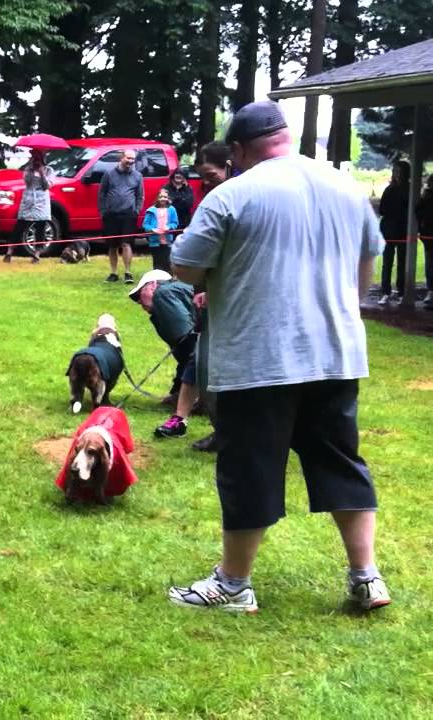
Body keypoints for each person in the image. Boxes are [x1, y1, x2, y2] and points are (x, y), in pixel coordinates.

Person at [167, 100, 390, 613]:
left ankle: (233, 585)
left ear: (240, 150)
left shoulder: (233, 194)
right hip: (336, 352)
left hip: (258, 357)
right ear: (285, 138)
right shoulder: (347, 187)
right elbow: (367, 262)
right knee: (341, 460)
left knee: (249, 468)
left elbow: (184, 268)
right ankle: (366, 577)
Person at [188, 141, 233, 453]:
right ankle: (221, 431)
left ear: (229, 164)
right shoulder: (209, 197)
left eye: (210, 173)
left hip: (235, 297)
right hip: (210, 291)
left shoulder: (241, 196)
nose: (206, 180)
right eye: (202, 175)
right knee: (207, 367)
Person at [128, 269, 198, 439]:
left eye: (139, 295)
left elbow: (188, 343)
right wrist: (176, 391)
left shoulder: (163, 295)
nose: (140, 304)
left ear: (153, 285)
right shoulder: (177, 292)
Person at [98, 149, 143, 283]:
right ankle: (113, 273)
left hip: (129, 214)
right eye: (128, 158)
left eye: (133, 159)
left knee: (126, 244)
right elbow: (102, 194)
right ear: (121, 158)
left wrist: (137, 210)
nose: (131, 161)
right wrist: (103, 211)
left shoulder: (137, 176)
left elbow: (140, 196)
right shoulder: (109, 174)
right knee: (112, 245)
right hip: (111, 215)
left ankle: (128, 272)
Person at [376, 159, 410, 305]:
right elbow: (382, 209)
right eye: (395, 171)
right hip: (389, 231)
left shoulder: (409, 189)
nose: (396, 174)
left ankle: (401, 291)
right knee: (387, 263)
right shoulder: (389, 189)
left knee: (403, 262)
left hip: (403, 231)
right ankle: (385, 292)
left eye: (399, 171)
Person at [15, 148, 54, 264]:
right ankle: (10, 251)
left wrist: (42, 173)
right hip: (28, 200)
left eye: (38, 157)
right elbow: (27, 182)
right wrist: (31, 169)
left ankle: (37, 254)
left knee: (40, 227)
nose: (36, 160)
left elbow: (47, 186)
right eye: (34, 157)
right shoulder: (29, 169)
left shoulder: (49, 170)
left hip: (41, 202)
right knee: (20, 225)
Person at [143, 188, 180, 272]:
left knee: (167, 262)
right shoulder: (150, 210)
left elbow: (175, 223)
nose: (163, 199)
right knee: (157, 263)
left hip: (167, 241)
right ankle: (158, 281)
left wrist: (169, 227)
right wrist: (153, 229)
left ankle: (169, 280)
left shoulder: (172, 209)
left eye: (165, 197)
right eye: (161, 197)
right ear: (157, 198)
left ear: (168, 198)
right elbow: (146, 225)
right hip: (154, 241)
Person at [419, 175, 433, 309]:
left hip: (427, 234)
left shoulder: (425, 197)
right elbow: (419, 212)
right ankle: (430, 290)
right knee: (430, 264)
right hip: (428, 235)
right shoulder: (426, 198)